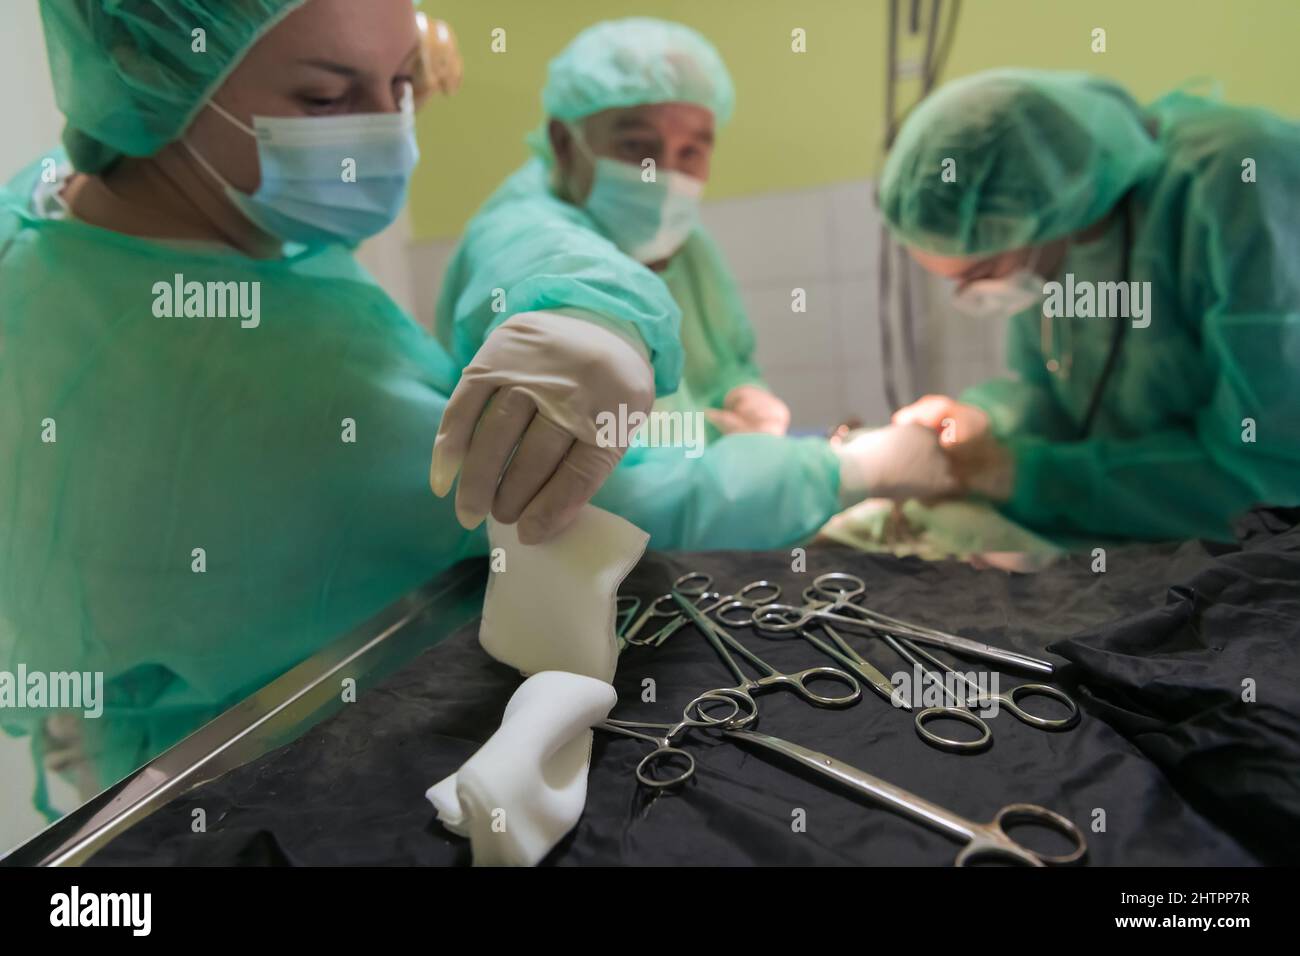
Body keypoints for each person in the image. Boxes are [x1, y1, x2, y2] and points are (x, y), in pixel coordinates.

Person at [0, 0, 669, 801]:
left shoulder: (45, 213)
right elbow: (585, 500)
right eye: (324, 100)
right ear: (144, 64)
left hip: (135, 765)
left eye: (402, 82)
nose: (388, 133)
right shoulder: (282, 373)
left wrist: (574, 300)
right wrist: (839, 466)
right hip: (257, 791)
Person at [879, 69, 1300, 541]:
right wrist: (982, 422)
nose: (974, 295)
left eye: (980, 275)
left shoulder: (1243, 180)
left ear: (1037, 211)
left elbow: (1272, 480)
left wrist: (1025, 474)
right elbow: (1056, 399)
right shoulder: (1060, 234)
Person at [435, 17, 790, 444]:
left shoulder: (687, 245)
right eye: (637, 146)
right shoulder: (518, 229)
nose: (664, 174)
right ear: (565, 143)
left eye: (691, 150)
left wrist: (740, 393)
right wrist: (593, 319)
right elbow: (550, 268)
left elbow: (726, 364)